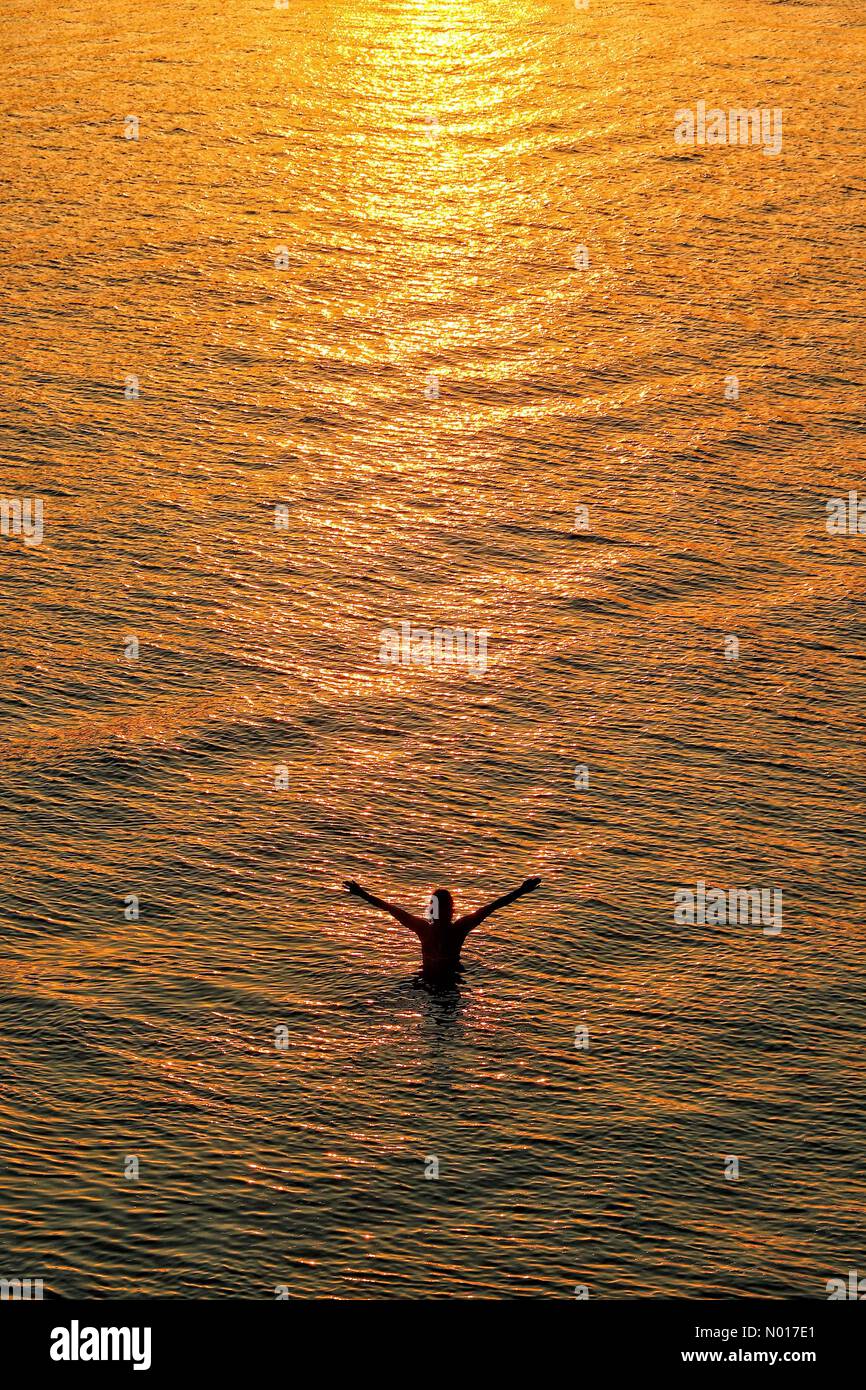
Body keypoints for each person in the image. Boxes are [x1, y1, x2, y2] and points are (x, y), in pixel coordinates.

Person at [343, 876, 542, 981]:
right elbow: (493, 906)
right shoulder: (459, 929)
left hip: (426, 977)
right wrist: (522, 890)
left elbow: (389, 908)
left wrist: (362, 893)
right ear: (452, 909)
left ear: (430, 909)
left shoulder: (422, 929)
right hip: (450, 978)